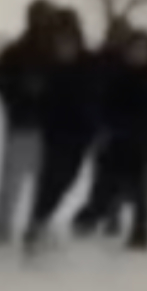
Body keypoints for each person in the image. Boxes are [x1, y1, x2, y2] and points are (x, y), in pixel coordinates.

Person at [72, 29, 147, 249]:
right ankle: (88, 218)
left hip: (142, 145)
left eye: (144, 49)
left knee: (142, 192)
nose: (139, 54)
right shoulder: (115, 74)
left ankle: (140, 233)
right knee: (104, 191)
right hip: (114, 144)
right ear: (127, 51)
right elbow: (100, 105)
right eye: (135, 49)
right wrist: (104, 129)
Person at [22, 17, 103, 252]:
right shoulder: (48, 67)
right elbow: (37, 98)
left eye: (69, 43)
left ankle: (41, 219)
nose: (65, 48)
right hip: (54, 134)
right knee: (51, 179)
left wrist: (95, 127)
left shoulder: (89, 65)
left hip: (81, 134)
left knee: (68, 179)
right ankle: (36, 224)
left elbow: (96, 98)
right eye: (60, 43)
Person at [0, 0, 57, 245]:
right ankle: (3, 229)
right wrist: (21, 93)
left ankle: (31, 226)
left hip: (47, 125)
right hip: (24, 123)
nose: (43, 22)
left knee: (39, 182)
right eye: (41, 17)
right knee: (14, 182)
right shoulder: (16, 51)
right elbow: (0, 84)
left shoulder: (54, 50)